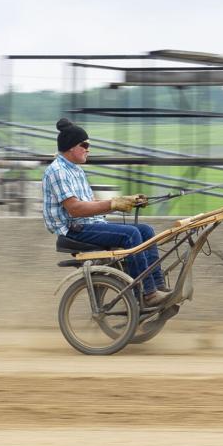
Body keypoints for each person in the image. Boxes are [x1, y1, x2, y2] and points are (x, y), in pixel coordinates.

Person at [42, 118, 171, 306]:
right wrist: (113, 204)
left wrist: (127, 201)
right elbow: (75, 208)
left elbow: (89, 203)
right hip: (73, 229)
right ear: (71, 147)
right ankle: (147, 294)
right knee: (132, 234)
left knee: (146, 230)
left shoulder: (75, 170)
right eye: (84, 144)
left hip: (89, 224)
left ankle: (158, 286)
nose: (88, 149)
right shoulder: (57, 171)